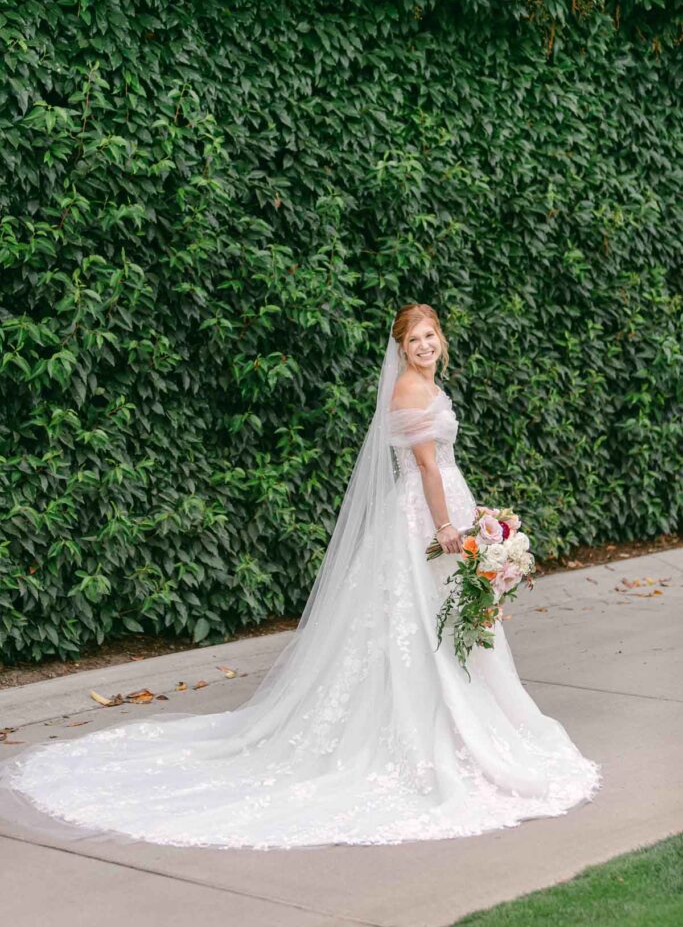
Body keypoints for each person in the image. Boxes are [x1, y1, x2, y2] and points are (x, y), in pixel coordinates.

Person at [0, 303, 601, 850]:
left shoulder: (426, 384)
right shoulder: (411, 395)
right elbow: (425, 469)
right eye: (414, 339)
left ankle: (466, 718)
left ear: (440, 339)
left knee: (449, 623)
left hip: (442, 506)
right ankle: (428, 733)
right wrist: (448, 530)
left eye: (431, 336)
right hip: (427, 516)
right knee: (422, 622)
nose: (424, 345)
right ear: (401, 347)